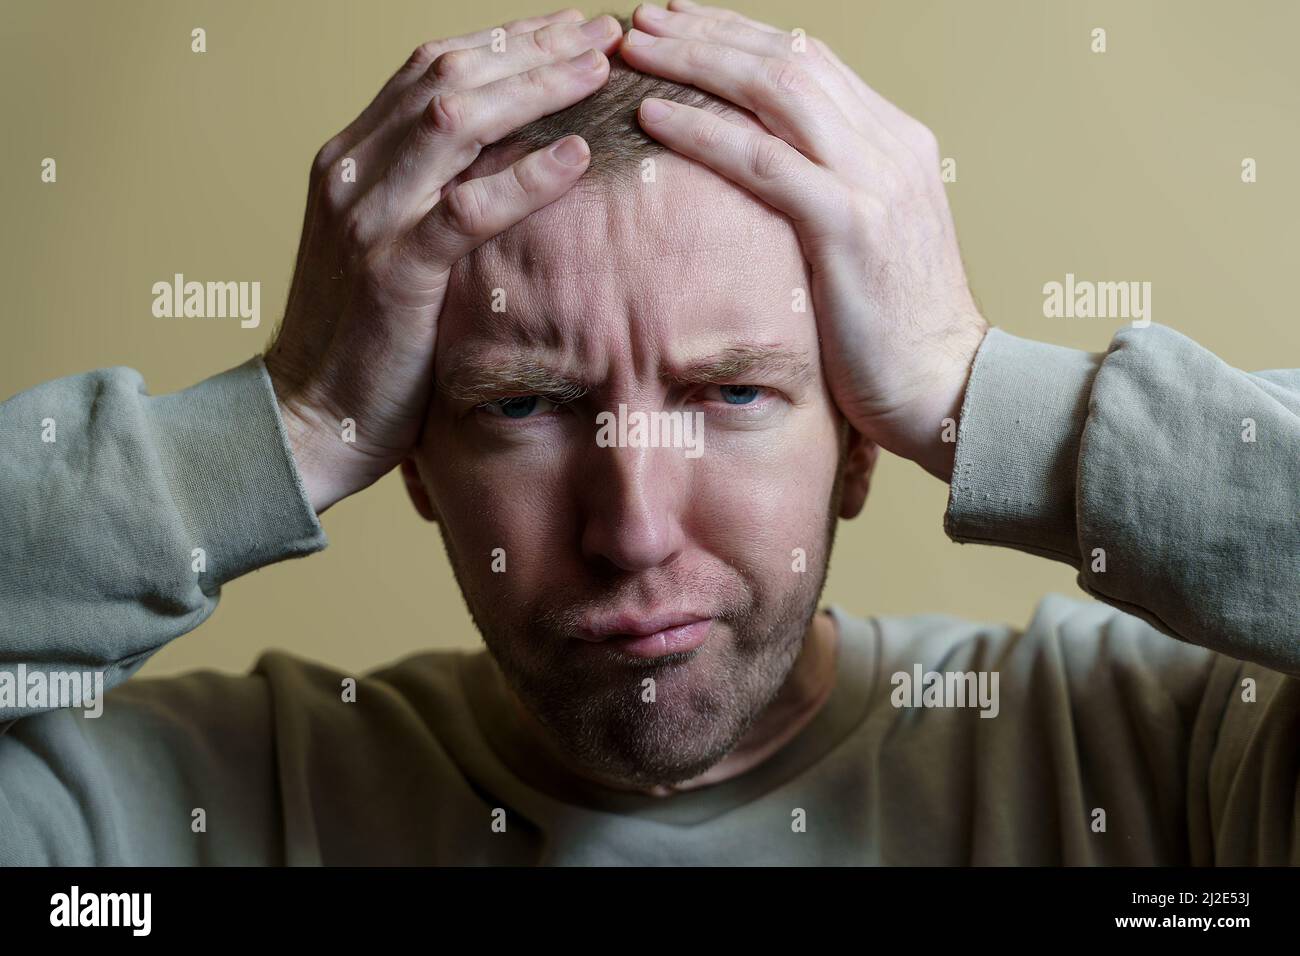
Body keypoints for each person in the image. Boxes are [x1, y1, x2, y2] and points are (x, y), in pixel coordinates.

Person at [1, 3, 1297, 865]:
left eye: (732, 394)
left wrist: (982, 392)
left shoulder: (1163, 758)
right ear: (412, 458)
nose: (631, 528)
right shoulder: (166, 816)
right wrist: (284, 425)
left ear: (862, 436)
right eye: (525, 405)